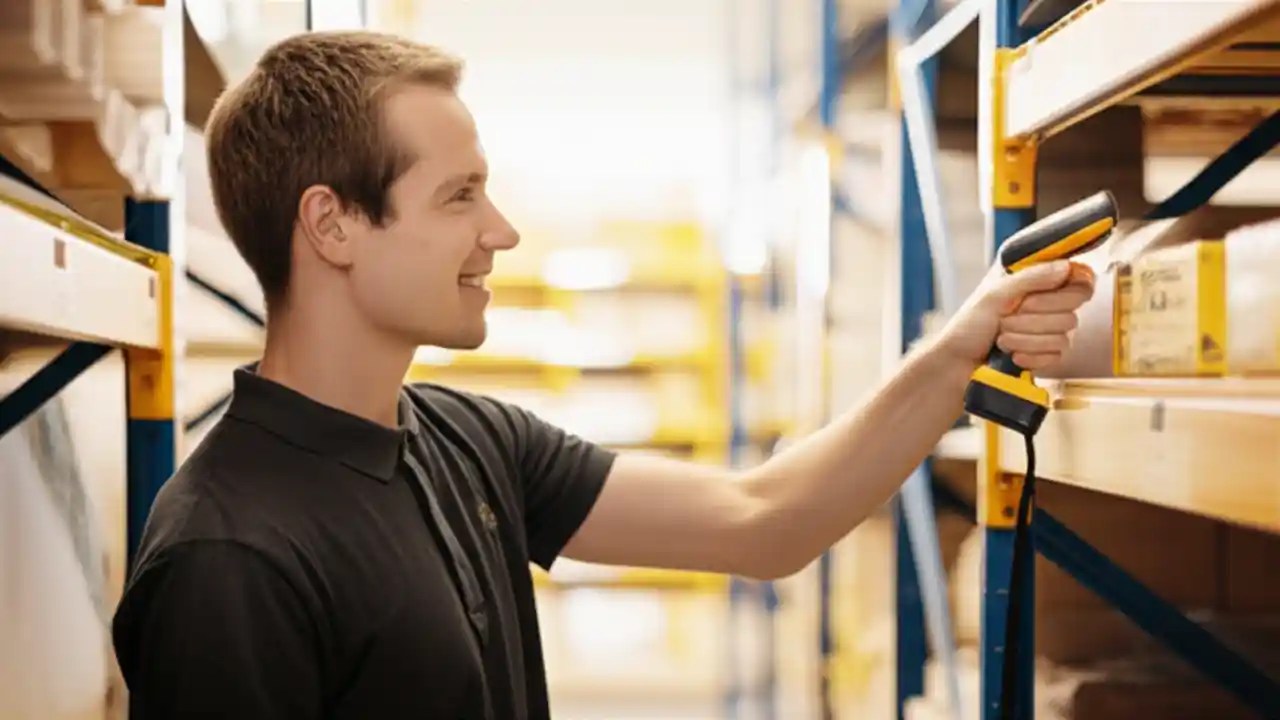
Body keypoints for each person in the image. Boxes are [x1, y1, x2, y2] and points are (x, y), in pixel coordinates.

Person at [110, 30, 1095, 720]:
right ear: (330, 226)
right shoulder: (228, 559)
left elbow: (765, 519)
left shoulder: (466, 441)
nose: (500, 231)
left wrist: (960, 344)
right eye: (459, 197)